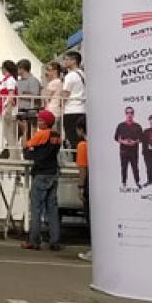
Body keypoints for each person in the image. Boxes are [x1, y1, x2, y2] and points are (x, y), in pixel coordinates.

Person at [21, 109, 63, 251]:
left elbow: (26, 146)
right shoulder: (57, 135)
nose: (38, 122)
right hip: (53, 173)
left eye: (40, 120)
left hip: (41, 174)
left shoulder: (41, 134)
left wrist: (25, 130)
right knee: (52, 209)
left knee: (36, 208)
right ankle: (55, 241)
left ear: (46, 123)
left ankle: (34, 240)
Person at [61, 51, 86, 149]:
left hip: (71, 110)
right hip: (82, 109)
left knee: (73, 138)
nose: (65, 62)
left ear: (74, 61)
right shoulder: (83, 74)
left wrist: (60, 104)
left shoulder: (70, 76)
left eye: (67, 59)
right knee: (81, 138)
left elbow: (65, 94)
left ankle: (77, 157)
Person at [114, 107, 143, 189]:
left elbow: (141, 139)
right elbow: (116, 138)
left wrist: (135, 142)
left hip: (134, 151)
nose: (129, 114)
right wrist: (123, 142)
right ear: (125, 114)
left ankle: (137, 182)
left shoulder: (138, 126)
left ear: (133, 114)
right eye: (127, 113)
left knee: (135, 167)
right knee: (124, 167)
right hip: (124, 151)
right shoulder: (120, 126)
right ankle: (124, 183)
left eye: (131, 113)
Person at [75, 118, 92, 262]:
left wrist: (80, 187)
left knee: (90, 219)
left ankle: (94, 251)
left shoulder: (82, 145)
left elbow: (83, 169)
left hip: (89, 184)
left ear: (81, 129)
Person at [16, 59, 42, 142]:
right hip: (21, 109)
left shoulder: (33, 80)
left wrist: (21, 95)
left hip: (31, 109)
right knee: (22, 130)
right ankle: (24, 147)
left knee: (31, 130)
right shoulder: (18, 81)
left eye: (17, 68)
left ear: (22, 69)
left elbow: (35, 94)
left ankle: (32, 147)